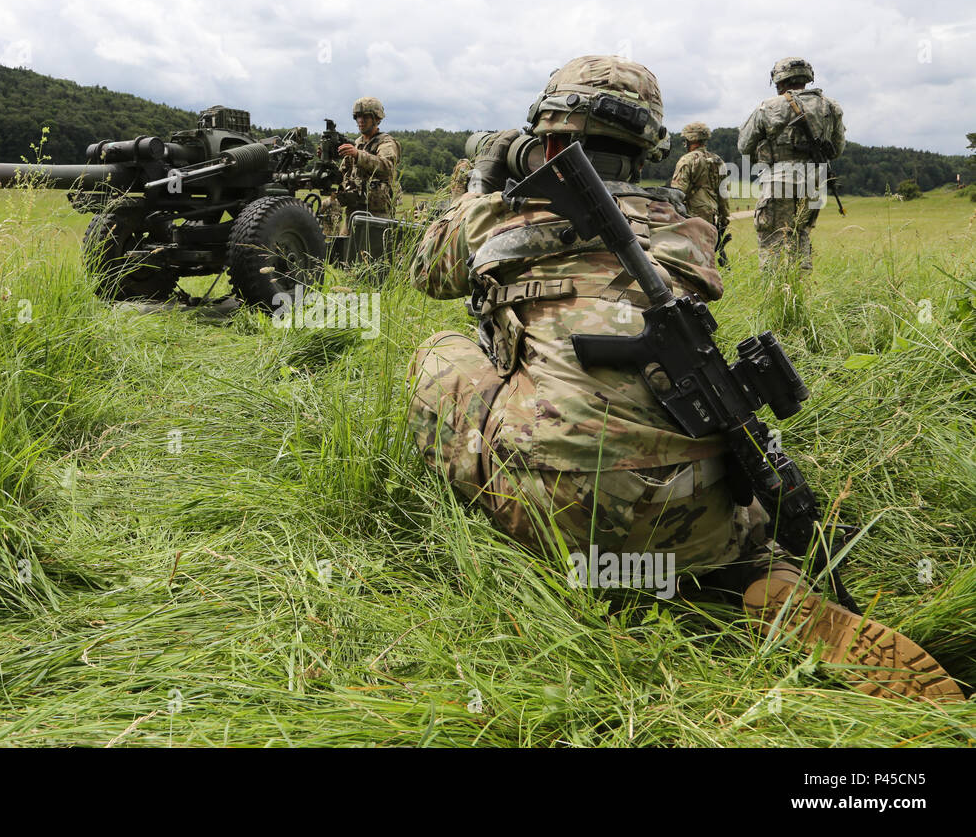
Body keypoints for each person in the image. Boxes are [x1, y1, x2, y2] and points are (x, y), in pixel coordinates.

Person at [406, 54, 961, 702]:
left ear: (548, 139)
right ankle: (756, 574)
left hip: (553, 510)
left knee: (438, 353)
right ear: (647, 150)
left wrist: (483, 177)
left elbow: (427, 270)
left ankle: (563, 525)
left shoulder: (495, 218)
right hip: (691, 517)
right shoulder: (685, 230)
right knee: (710, 486)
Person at [738, 57, 844, 270]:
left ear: (779, 80)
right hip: (812, 184)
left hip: (778, 183)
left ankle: (774, 297)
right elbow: (837, 149)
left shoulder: (768, 107)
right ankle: (799, 295)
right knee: (801, 238)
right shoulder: (830, 107)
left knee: (771, 243)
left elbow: (744, 146)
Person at [333, 97, 401, 233]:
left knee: (373, 251)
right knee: (344, 249)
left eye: (365, 117)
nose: (360, 120)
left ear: (376, 118)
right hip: (353, 211)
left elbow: (386, 167)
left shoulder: (386, 142)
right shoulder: (357, 143)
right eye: (357, 117)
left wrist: (358, 155)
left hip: (377, 214)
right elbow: (341, 173)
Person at [671, 121, 729, 240]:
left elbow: (677, 193)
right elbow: (723, 195)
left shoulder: (686, 160)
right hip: (711, 215)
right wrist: (724, 218)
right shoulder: (718, 161)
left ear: (690, 140)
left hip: (690, 215)